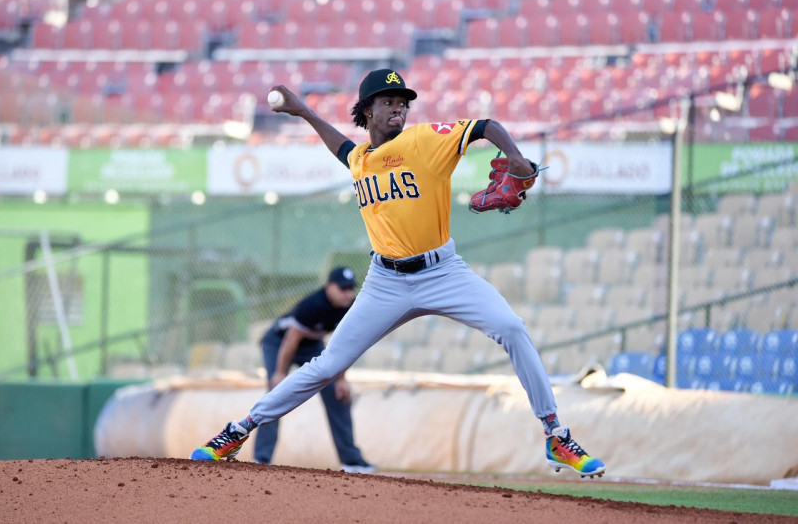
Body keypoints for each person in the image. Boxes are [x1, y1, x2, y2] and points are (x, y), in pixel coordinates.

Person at [191, 69, 606, 478]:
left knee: (512, 328)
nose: (398, 109)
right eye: (388, 102)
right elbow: (340, 147)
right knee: (327, 364)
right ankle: (239, 430)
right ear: (367, 111)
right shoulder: (360, 160)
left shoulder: (424, 141)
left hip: (443, 272)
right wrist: (304, 113)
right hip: (384, 281)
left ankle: (555, 434)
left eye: (402, 103)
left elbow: (484, 125)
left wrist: (515, 158)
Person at [253, 266, 374, 473]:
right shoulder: (313, 305)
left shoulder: (349, 307)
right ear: (329, 287)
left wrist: (341, 379)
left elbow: (345, 345)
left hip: (311, 344)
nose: (348, 293)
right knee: (276, 394)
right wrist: (280, 373)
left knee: (337, 394)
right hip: (279, 343)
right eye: (342, 288)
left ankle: (352, 461)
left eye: (350, 289)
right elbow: (291, 339)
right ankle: (261, 459)